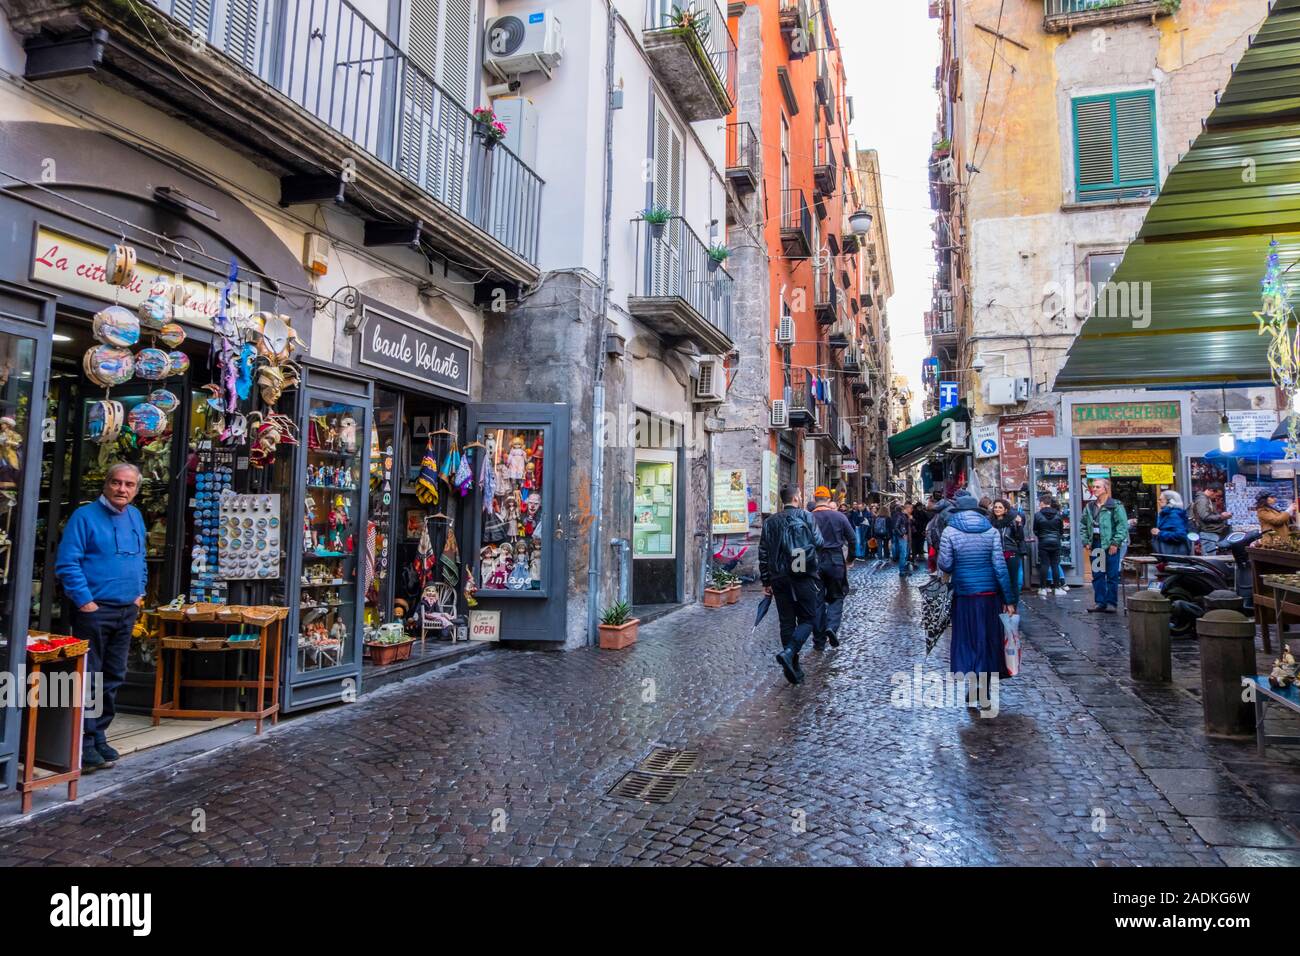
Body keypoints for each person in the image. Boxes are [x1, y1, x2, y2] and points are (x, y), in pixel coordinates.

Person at [55, 462, 149, 771]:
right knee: (90, 677)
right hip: (95, 610)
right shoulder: (84, 517)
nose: (122, 489)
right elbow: (68, 563)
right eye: (117, 483)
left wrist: (139, 592)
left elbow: (141, 558)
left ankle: (99, 735)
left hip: (125, 610)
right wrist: (85, 602)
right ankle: (83, 739)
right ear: (106, 484)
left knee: (114, 675)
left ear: (136, 490)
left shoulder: (135, 516)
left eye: (129, 485)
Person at [937, 495, 1015, 711]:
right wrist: (1009, 599)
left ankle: (973, 688)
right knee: (988, 641)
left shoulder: (950, 532)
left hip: (965, 594)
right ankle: (985, 691)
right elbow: (1000, 567)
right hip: (989, 595)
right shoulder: (991, 532)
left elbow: (946, 564)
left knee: (968, 640)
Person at [759, 485, 825, 685]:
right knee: (809, 618)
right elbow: (819, 542)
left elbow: (763, 552)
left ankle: (793, 666)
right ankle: (789, 654)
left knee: (786, 621)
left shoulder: (770, 522)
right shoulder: (806, 517)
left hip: (779, 578)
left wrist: (766, 581)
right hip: (803, 575)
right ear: (797, 498)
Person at [810, 486, 855, 649]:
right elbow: (852, 539)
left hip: (814, 561)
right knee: (837, 596)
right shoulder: (839, 517)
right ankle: (831, 626)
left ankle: (819, 641)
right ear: (829, 500)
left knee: (817, 601)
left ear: (815, 500)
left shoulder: (808, 517)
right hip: (835, 560)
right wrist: (850, 559)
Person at [1080, 477, 1128, 613]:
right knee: (1098, 574)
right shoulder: (1090, 507)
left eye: (1097, 487)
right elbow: (1083, 524)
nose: (1094, 489)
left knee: (1112, 574)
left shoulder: (1115, 505)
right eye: (1093, 487)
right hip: (1096, 544)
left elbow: (1122, 526)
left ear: (1105, 488)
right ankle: (1100, 602)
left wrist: (1115, 543)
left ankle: (1111, 603)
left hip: (1110, 545)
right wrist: (1086, 541)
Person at [990, 498, 1026, 604]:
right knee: (998, 581)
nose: (997, 509)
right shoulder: (990, 522)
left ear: (1006, 510)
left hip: (1011, 553)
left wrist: (1019, 525)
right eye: (995, 507)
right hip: (996, 554)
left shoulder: (1013, 520)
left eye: (1000, 507)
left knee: (1012, 581)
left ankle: (1013, 606)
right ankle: (1001, 605)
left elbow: (1020, 537)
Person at [1032, 495, 1066, 596]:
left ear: (1043, 503)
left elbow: (1035, 530)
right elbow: (1061, 530)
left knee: (1044, 565)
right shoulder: (1058, 514)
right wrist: (1056, 537)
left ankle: (1043, 588)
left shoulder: (1037, 515)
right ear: (1050, 503)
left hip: (1043, 542)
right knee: (1055, 564)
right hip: (1055, 542)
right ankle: (1057, 588)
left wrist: (1042, 536)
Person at [1191, 487, 1232, 555]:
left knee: (1210, 556)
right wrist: (1221, 516)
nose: (1217, 498)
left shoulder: (1206, 499)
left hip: (1209, 533)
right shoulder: (1202, 500)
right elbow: (1205, 516)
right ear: (1211, 491)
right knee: (1210, 558)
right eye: (1217, 495)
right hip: (1208, 532)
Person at [1151, 489, 1191, 556]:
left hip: (1174, 555)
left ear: (1170, 501)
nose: (1158, 502)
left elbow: (1181, 535)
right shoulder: (1166, 514)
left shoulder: (1173, 515)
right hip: (1170, 554)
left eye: (1161, 500)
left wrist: (1160, 533)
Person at [926, 496, 953, 573]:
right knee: (938, 557)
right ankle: (939, 573)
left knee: (939, 557)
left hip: (939, 540)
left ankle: (939, 573)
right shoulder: (943, 512)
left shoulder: (941, 512)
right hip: (939, 540)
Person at [891, 502, 913, 576]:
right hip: (902, 536)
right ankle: (902, 570)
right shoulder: (900, 515)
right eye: (910, 508)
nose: (911, 510)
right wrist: (902, 534)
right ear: (906, 508)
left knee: (905, 553)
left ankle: (903, 569)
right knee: (903, 553)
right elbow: (896, 526)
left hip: (905, 535)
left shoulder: (905, 515)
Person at [911, 501, 929, 574]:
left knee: (918, 543)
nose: (920, 508)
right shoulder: (916, 512)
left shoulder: (922, 513)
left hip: (919, 531)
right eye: (919, 506)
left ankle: (918, 554)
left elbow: (926, 520)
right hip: (917, 531)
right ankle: (917, 554)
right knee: (916, 543)